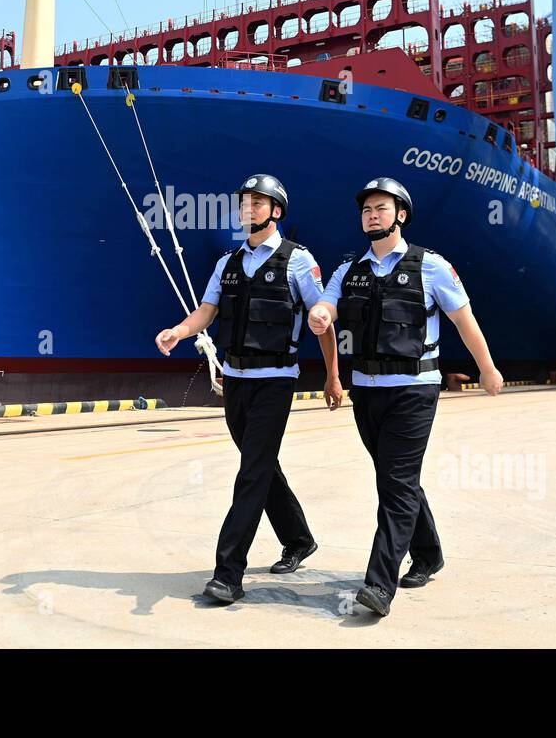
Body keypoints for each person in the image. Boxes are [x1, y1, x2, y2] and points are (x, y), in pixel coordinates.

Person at [308, 176, 503, 617]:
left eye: (381, 208)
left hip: (415, 391)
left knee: (394, 484)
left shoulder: (430, 266)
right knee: (396, 479)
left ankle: (379, 585)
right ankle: (429, 552)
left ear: (401, 215)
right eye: (366, 210)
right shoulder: (348, 270)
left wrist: (487, 368)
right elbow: (328, 304)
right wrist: (321, 314)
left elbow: (464, 320)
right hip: (367, 392)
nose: (372, 215)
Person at [156, 174, 341, 604]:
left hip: (276, 380)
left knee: (252, 472)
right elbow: (207, 310)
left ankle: (228, 572)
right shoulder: (228, 263)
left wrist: (332, 375)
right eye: (245, 202)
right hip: (235, 380)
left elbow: (322, 320)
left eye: (259, 202)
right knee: (260, 464)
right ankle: (298, 538)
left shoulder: (298, 261)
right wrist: (179, 332)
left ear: (277, 211)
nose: (249, 209)